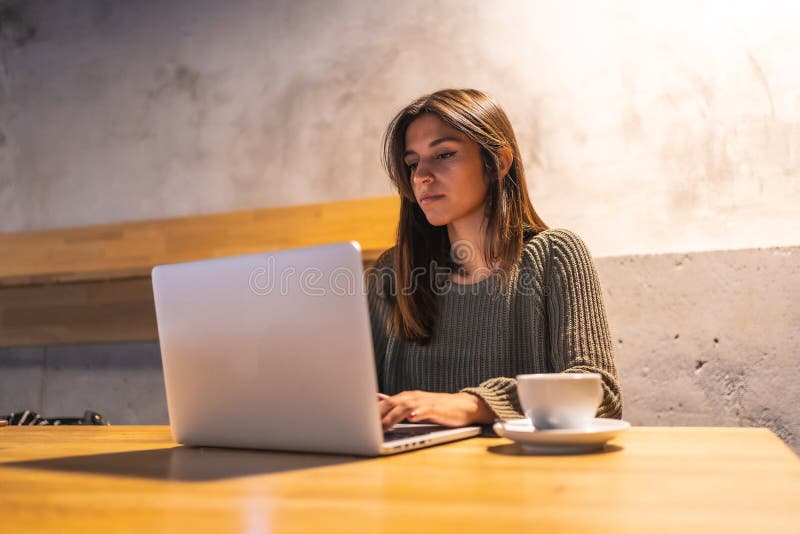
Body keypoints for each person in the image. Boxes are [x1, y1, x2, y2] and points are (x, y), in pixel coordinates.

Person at [367, 88, 622, 431]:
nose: (421, 176)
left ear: (498, 163)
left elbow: (601, 395)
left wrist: (474, 405)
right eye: (412, 163)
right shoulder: (391, 272)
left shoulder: (554, 254)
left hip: (523, 475)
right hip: (407, 474)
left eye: (443, 155)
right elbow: (356, 395)